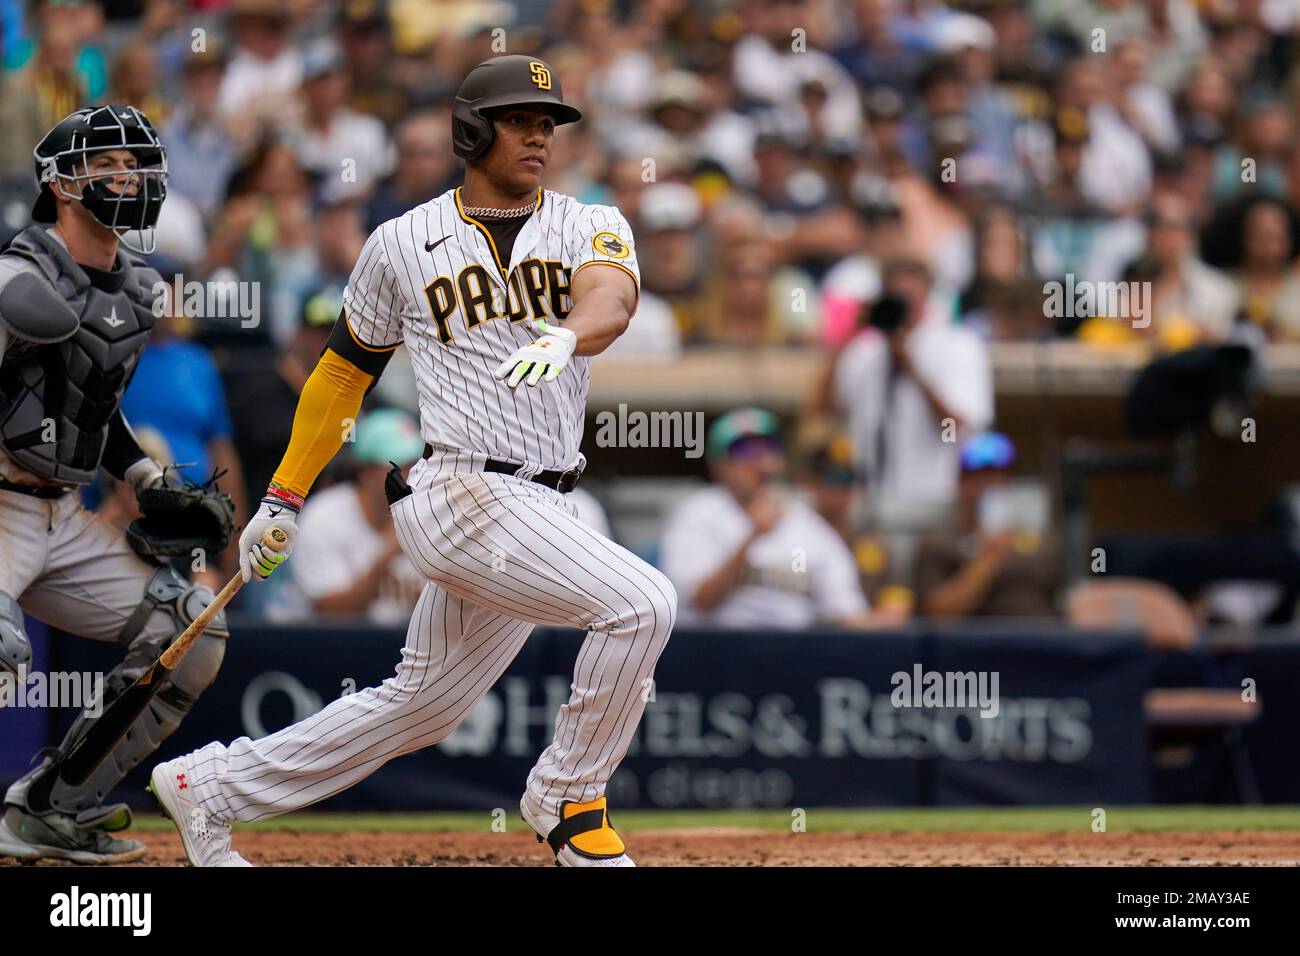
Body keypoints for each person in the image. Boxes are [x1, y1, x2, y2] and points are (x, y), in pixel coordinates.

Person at [150, 55, 676, 868]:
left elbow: (610, 296)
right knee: (642, 603)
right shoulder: (401, 241)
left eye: (548, 122)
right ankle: (569, 796)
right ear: (472, 129)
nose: (539, 135)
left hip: (544, 501)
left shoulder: (588, 222)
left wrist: (569, 333)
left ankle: (211, 788)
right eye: (519, 120)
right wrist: (284, 496)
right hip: (460, 489)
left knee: (421, 706)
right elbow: (341, 374)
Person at [0, 106, 234, 864]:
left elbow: (96, 408)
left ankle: (47, 810)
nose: (127, 177)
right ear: (63, 184)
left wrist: (145, 477)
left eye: (134, 163)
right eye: (107, 165)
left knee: (193, 628)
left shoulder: (136, 288)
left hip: (60, 515)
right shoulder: (18, 274)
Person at [660, 408, 871, 630]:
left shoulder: (805, 521)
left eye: (767, 449)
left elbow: (846, 610)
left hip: (793, 651)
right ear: (719, 465)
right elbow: (699, 602)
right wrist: (753, 536)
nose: (759, 462)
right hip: (714, 648)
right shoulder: (698, 514)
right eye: (744, 451)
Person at [830, 257, 993, 520]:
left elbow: (957, 428)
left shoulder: (959, 345)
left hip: (935, 502)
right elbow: (824, 410)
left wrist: (913, 370)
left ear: (928, 294)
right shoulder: (863, 351)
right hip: (869, 504)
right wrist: (847, 336)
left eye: (910, 296)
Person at [289, 409, 426, 624]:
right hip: (335, 651)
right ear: (365, 472)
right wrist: (389, 553)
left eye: (417, 465)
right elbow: (329, 611)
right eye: (402, 467)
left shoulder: (431, 513)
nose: (413, 476)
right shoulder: (323, 517)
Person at [913, 432, 1061, 619]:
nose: (990, 485)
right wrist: (987, 562)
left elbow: (1067, 601)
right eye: (979, 477)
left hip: (1047, 641)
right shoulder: (939, 543)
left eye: (999, 477)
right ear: (960, 483)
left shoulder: (1036, 542)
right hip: (981, 644)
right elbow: (935, 613)